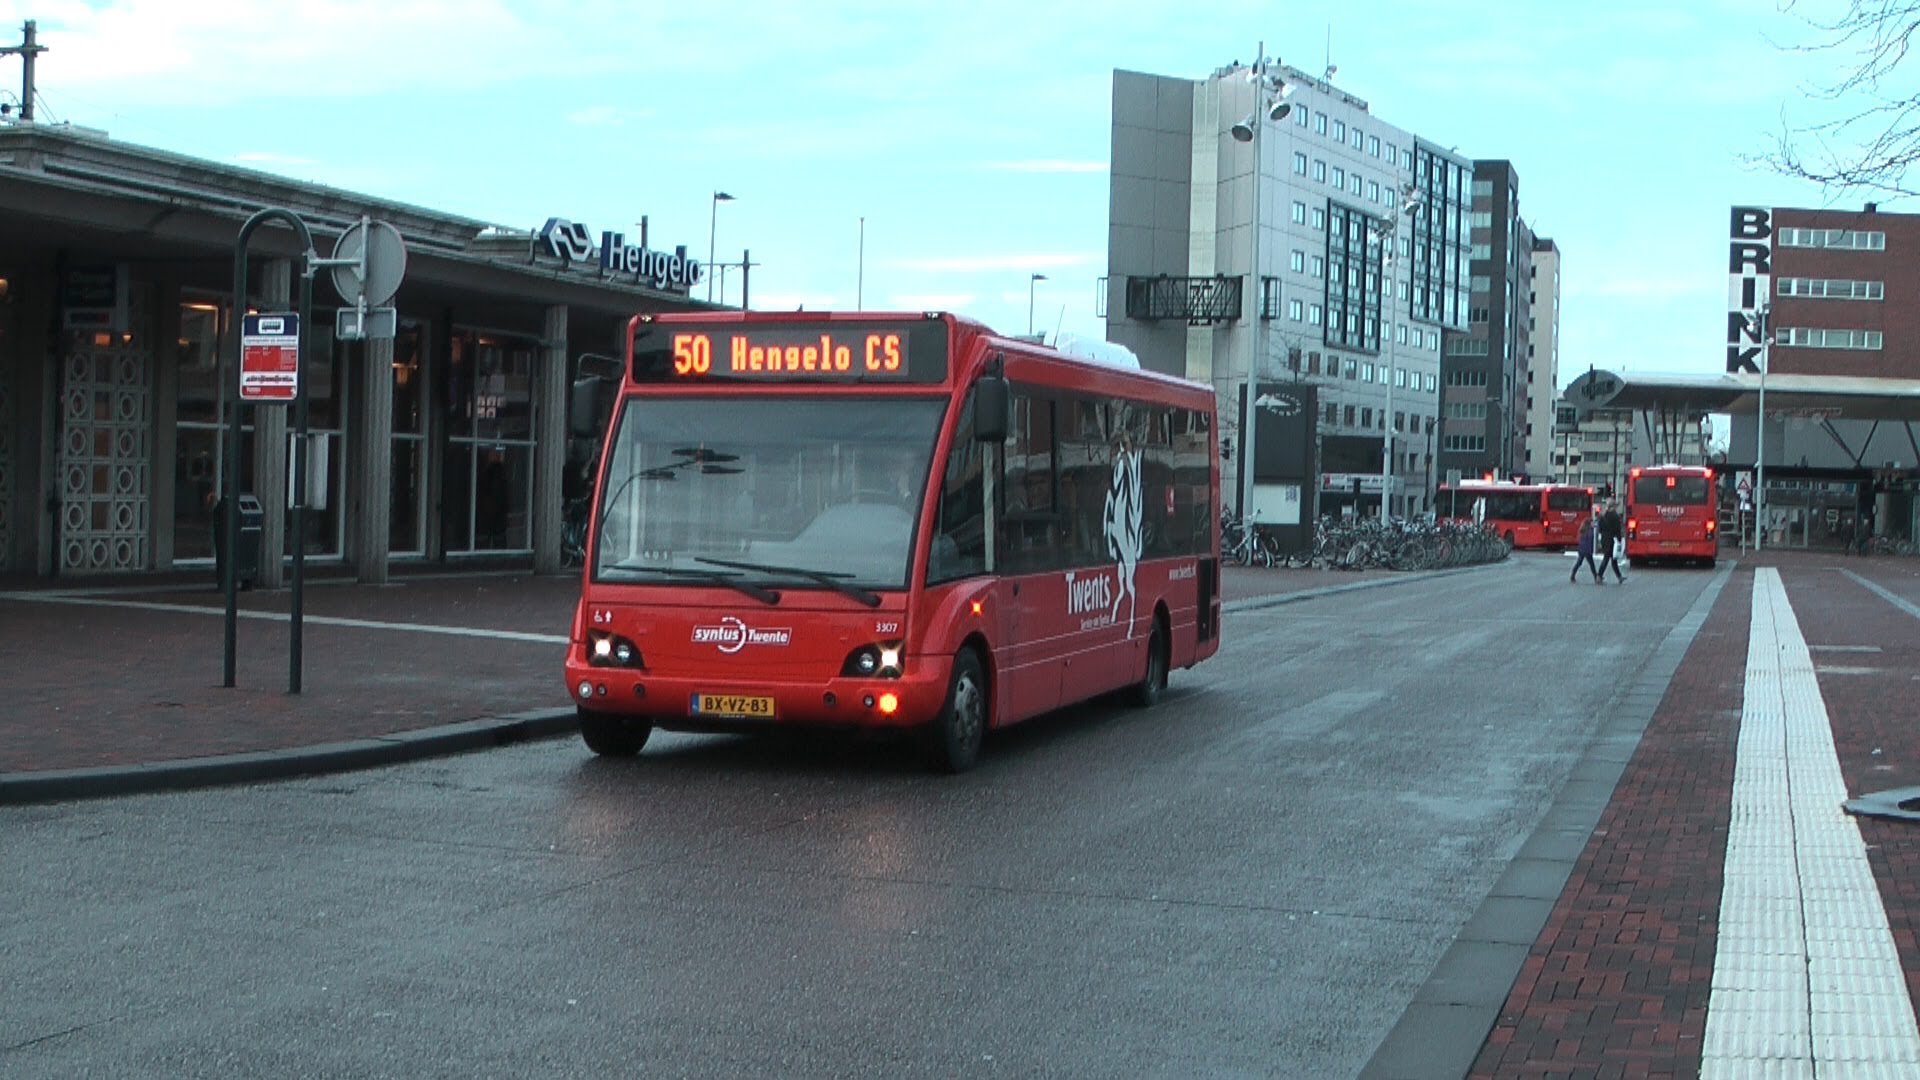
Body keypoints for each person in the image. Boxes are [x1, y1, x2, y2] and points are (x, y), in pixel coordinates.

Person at [1595, 500, 1626, 583]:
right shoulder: (1615, 516)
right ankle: (1599, 576)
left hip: (1605, 539)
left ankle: (1618, 577)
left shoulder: (1603, 515)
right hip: (1612, 540)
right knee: (1610, 558)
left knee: (1611, 558)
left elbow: (1600, 529)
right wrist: (1619, 540)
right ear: (1613, 507)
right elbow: (1617, 530)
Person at [1570, 513, 1600, 583]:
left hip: (1582, 549)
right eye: (1592, 522)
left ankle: (1573, 574)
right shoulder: (1590, 531)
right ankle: (1595, 577)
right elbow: (1590, 540)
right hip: (1587, 550)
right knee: (1591, 564)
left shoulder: (1582, 530)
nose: (1593, 524)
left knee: (1579, 562)